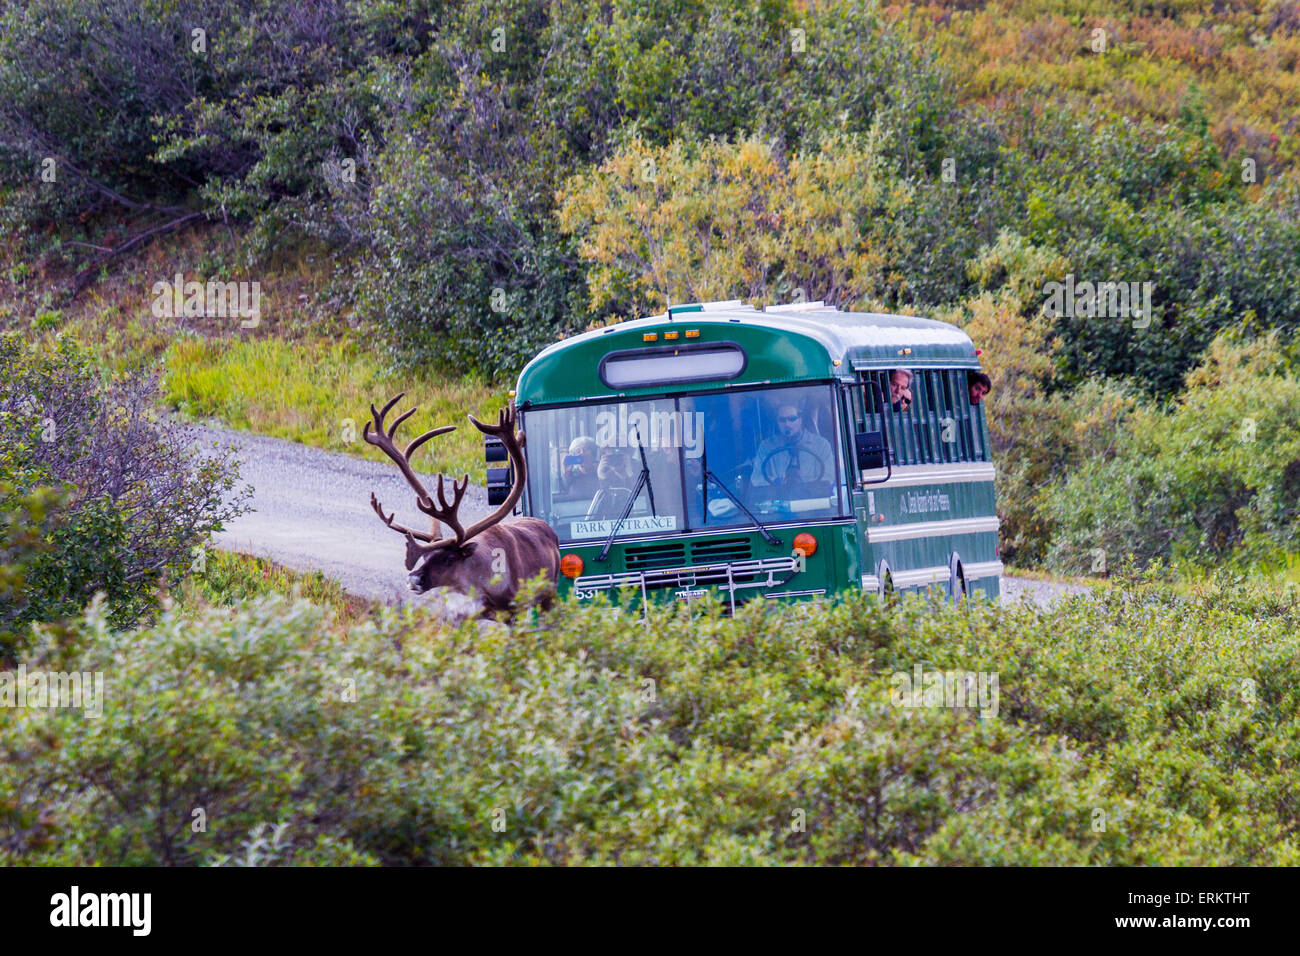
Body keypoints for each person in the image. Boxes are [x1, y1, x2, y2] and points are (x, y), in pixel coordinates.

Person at [750, 401, 834, 488]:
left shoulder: (821, 445)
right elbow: (756, 478)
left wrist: (804, 484)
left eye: (792, 419)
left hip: (812, 499)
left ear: (801, 419)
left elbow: (829, 478)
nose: (787, 424)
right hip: (778, 498)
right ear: (777, 422)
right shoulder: (766, 447)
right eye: (782, 420)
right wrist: (778, 481)